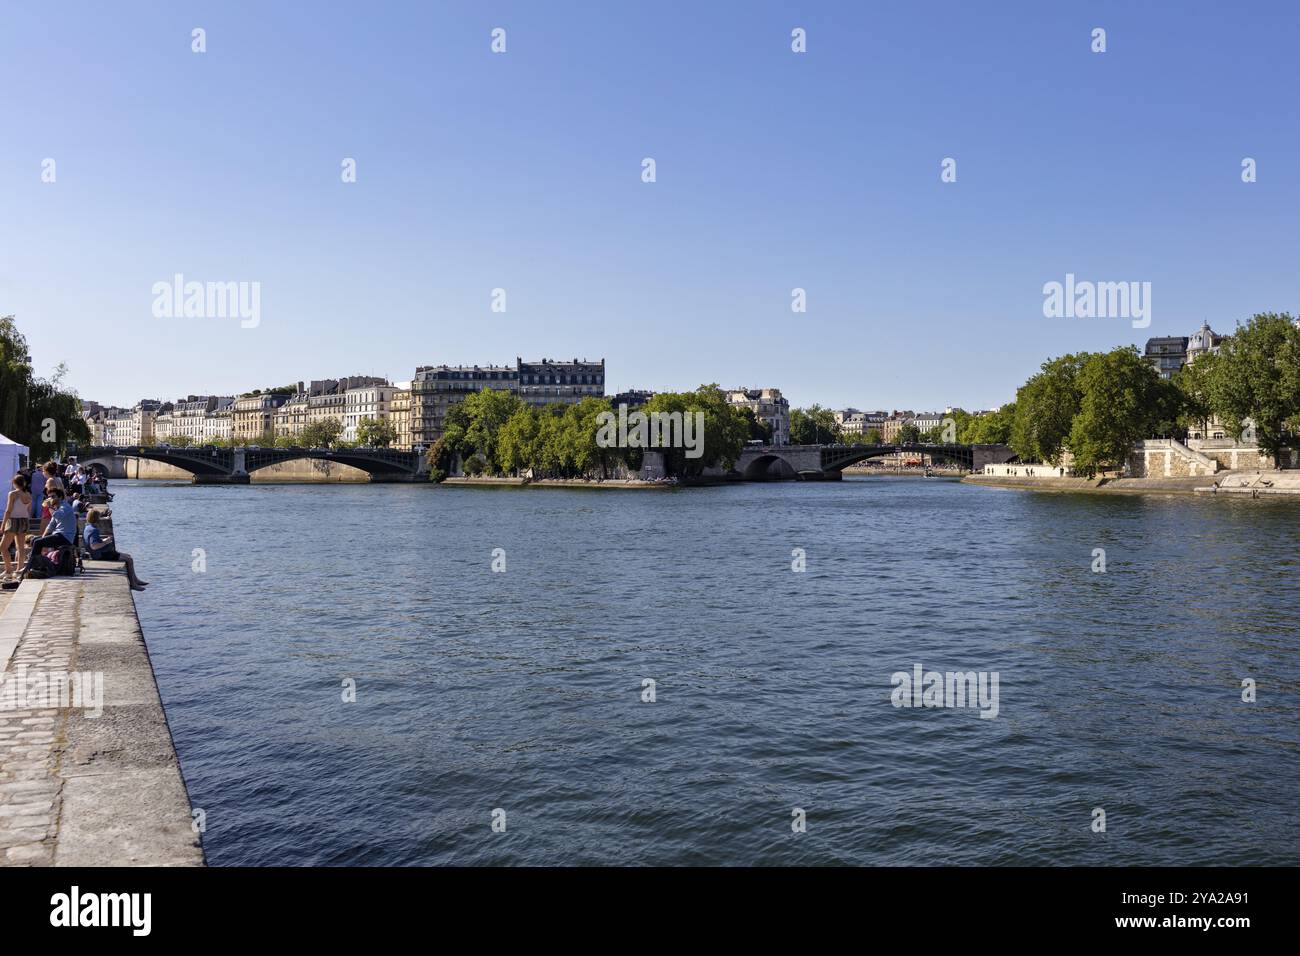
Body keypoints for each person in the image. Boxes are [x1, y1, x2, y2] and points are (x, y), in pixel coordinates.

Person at [83, 508, 148, 591]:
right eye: (99, 517)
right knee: (129, 559)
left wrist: (103, 540)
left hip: (99, 553)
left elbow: (94, 543)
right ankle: (133, 584)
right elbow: (94, 546)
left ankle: (135, 580)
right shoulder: (93, 530)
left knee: (128, 556)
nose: (100, 519)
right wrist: (106, 542)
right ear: (96, 518)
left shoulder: (88, 527)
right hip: (101, 555)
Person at [21, 487, 77, 577]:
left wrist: (50, 506)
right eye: (49, 497)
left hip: (65, 537)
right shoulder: (57, 508)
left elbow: (58, 516)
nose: (51, 499)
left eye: (53, 496)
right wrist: (43, 537)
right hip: (58, 535)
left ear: (60, 497)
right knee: (35, 540)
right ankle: (35, 564)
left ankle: (31, 566)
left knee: (38, 542)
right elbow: (51, 526)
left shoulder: (65, 507)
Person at [1, 473, 33, 583]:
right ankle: (19, 570)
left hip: (13, 520)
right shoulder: (28, 494)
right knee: (21, 547)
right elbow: (28, 510)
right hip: (24, 520)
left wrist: (3, 525)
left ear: (14, 483)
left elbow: (8, 510)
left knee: (3, 547)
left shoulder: (13, 494)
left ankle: (9, 570)